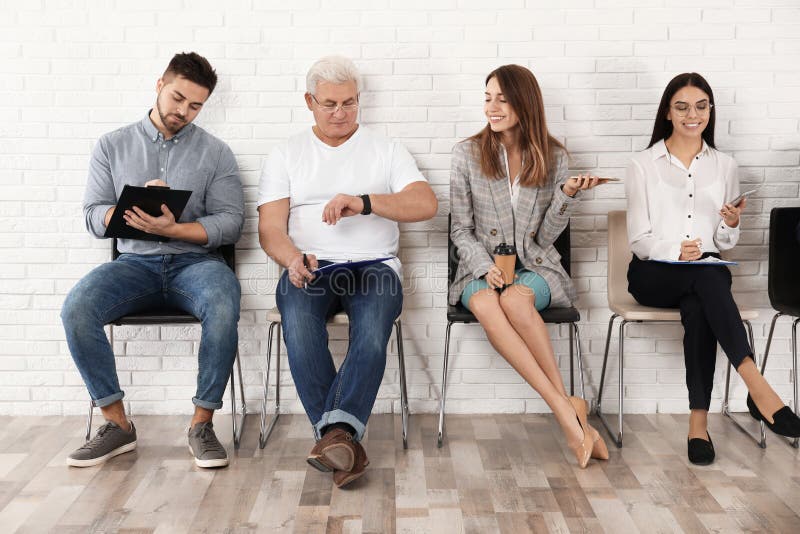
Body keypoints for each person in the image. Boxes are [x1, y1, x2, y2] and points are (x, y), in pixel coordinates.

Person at [257, 55, 437, 488]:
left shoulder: (387, 149)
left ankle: (335, 439)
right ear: (309, 102)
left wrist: (365, 201)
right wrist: (291, 260)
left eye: (350, 103)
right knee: (298, 327)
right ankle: (343, 441)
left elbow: (425, 204)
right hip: (311, 267)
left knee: (372, 330)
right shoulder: (286, 154)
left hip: (375, 267)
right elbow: (268, 229)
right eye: (330, 104)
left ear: (360, 100)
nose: (340, 113)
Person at [61, 52, 244, 469]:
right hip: (134, 267)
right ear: (159, 84)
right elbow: (92, 214)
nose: (183, 111)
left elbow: (230, 223)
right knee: (77, 308)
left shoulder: (216, 153)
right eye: (178, 98)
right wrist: (130, 210)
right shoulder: (112, 144)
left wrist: (173, 228)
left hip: (196, 265)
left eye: (195, 105)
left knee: (223, 302)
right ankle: (117, 425)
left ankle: (201, 425)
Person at [626, 72, 800, 465]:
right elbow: (638, 239)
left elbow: (723, 244)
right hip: (653, 273)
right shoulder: (642, 165)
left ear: (710, 111)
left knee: (702, 296)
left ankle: (697, 425)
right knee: (707, 277)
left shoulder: (725, 165)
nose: (693, 115)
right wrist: (676, 249)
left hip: (704, 276)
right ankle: (758, 389)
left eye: (701, 106)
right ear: (668, 113)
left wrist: (731, 223)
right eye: (682, 107)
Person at [449, 64, 609, 468]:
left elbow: (548, 234)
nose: (493, 106)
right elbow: (461, 231)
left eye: (502, 98)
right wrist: (486, 268)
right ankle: (567, 410)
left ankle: (567, 412)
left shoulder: (553, 157)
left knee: (517, 303)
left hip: (534, 266)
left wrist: (568, 194)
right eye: (488, 97)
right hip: (480, 269)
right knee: (487, 304)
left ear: (525, 102)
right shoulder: (466, 154)